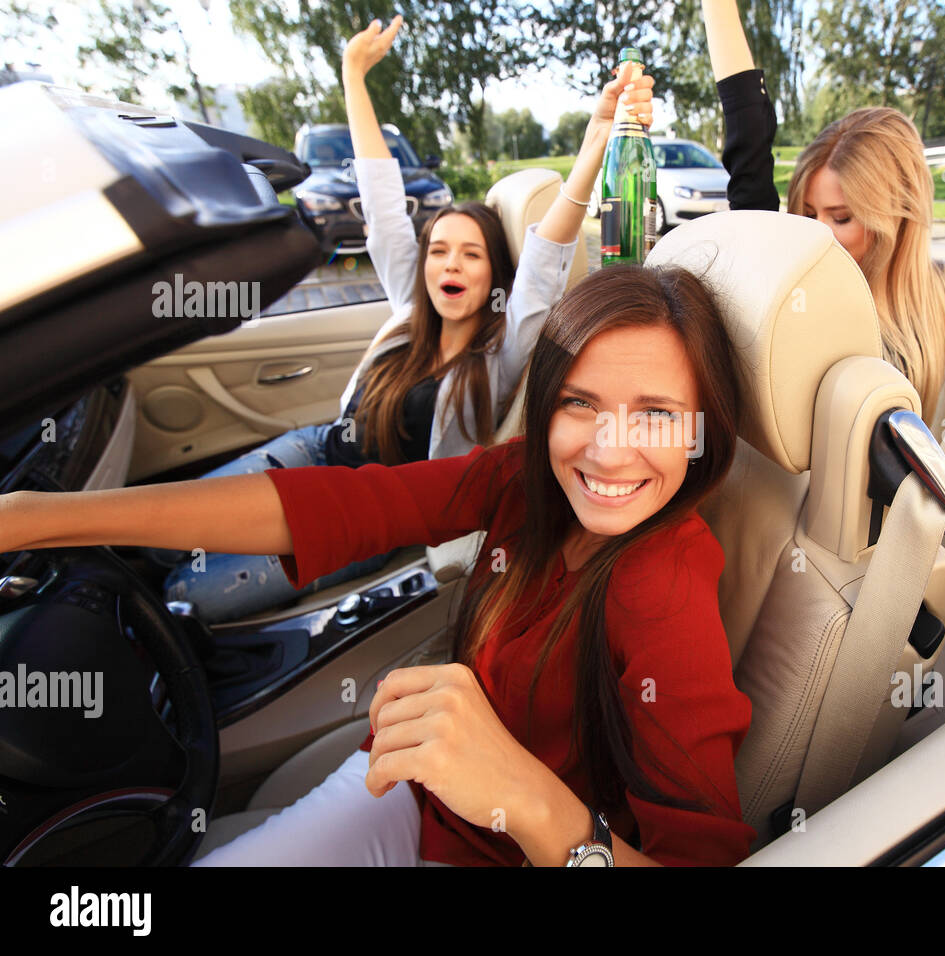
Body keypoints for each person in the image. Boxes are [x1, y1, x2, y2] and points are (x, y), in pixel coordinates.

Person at [0, 264, 755, 866]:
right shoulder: (526, 479)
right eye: (580, 403)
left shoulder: (663, 585)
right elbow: (346, 505)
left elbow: (701, 858)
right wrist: (50, 516)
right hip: (415, 791)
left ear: (702, 430)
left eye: (655, 412)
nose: (609, 449)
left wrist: (533, 802)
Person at [150, 16, 657, 623]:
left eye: (471, 254)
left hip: (361, 516)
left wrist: (599, 134)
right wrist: (353, 77)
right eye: (438, 250)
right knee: (152, 536)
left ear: (495, 277)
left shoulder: (502, 357)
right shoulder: (411, 312)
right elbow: (384, 204)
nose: (450, 263)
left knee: (185, 596)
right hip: (306, 453)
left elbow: (546, 257)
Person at [701, 0, 945, 450]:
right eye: (807, 214)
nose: (818, 233)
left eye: (841, 217)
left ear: (896, 219)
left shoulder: (934, 293)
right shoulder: (790, 278)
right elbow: (747, 136)